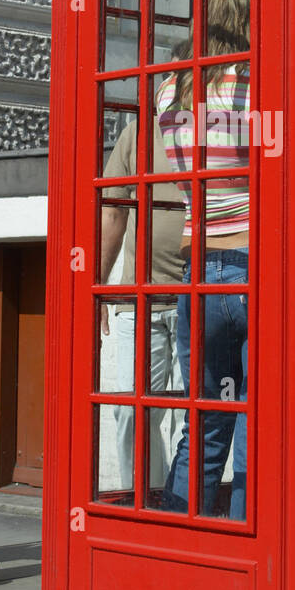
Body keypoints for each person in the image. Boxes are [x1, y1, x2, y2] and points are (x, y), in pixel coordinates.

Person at [156, 0, 250, 520]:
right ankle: (248, 542)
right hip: (251, 264)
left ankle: (176, 534)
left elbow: (178, 172)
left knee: (205, 421)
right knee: (255, 428)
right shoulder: (256, 78)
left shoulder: (172, 86)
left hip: (196, 273)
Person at [100, 111, 186, 497]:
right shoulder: (137, 132)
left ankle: (187, 498)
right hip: (138, 297)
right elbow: (114, 210)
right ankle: (145, 496)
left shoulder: (217, 126)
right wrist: (99, 287)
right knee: (132, 411)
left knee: (199, 411)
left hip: (199, 295)